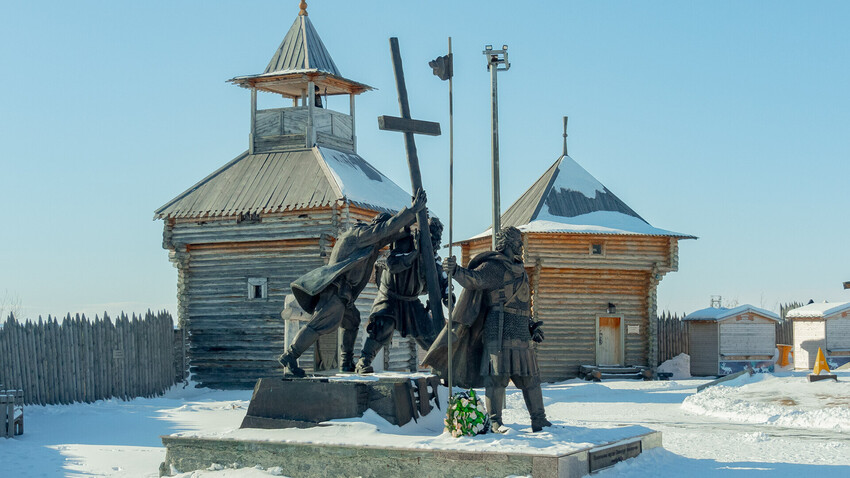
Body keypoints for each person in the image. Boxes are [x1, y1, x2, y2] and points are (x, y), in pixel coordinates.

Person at [279, 189, 427, 377]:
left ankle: (346, 362)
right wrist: (412, 210)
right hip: (335, 293)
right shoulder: (359, 235)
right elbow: (386, 230)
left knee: (352, 321)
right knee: (318, 325)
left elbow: (389, 235)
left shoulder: (367, 242)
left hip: (344, 296)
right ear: (375, 226)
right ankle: (290, 356)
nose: (380, 238)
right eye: (379, 231)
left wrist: (413, 219)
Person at [432, 226, 551, 433]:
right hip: (498, 330)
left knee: (531, 379)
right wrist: (456, 270)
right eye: (517, 242)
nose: (520, 246)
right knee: (497, 379)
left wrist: (531, 326)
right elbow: (474, 280)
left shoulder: (521, 271)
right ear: (506, 244)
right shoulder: (494, 267)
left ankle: (539, 419)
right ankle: (495, 421)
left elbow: (523, 304)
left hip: (520, 333)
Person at [355, 217, 448, 373]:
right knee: (383, 326)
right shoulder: (406, 241)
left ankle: (441, 366)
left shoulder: (431, 257)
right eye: (431, 238)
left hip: (411, 301)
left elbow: (441, 277)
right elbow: (392, 264)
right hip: (390, 296)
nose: (433, 244)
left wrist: (447, 293)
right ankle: (363, 361)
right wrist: (415, 253)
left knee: (428, 332)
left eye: (435, 241)